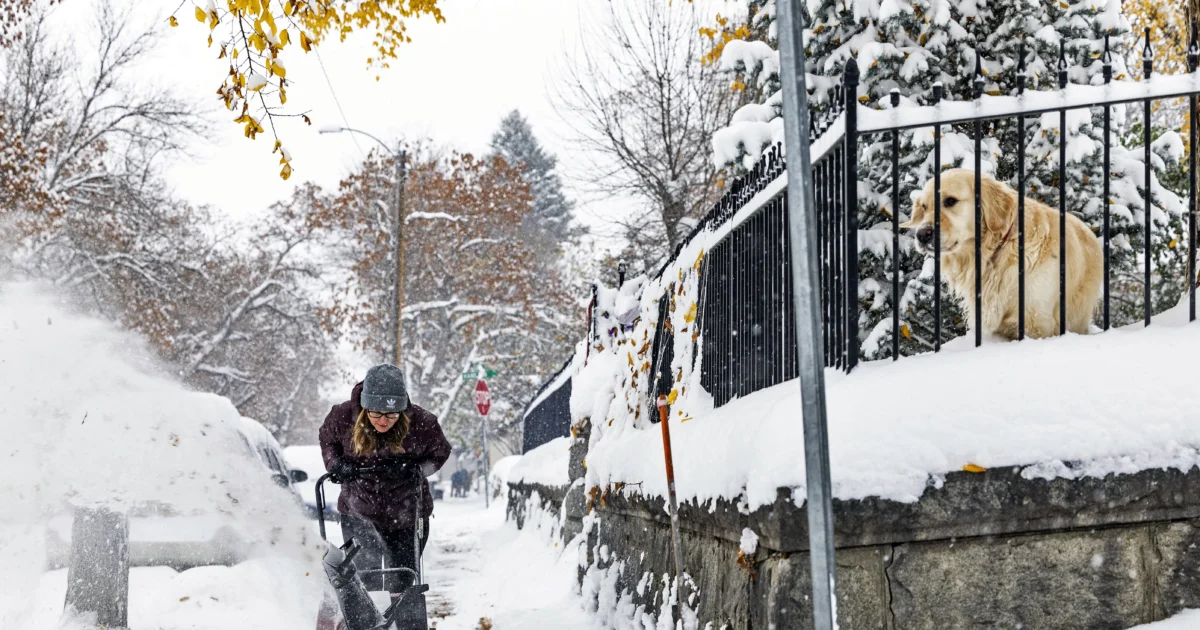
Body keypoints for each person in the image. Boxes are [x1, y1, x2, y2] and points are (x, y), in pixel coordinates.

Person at [319, 364, 452, 592]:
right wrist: (337, 465)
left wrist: (416, 469)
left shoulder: (423, 423)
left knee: (400, 580)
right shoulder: (342, 417)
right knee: (365, 580)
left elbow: (440, 452)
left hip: (406, 513)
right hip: (358, 511)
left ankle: (401, 612)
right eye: (376, 414)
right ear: (365, 407)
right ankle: (368, 614)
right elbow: (327, 440)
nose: (383, 421)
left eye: (391, 415)